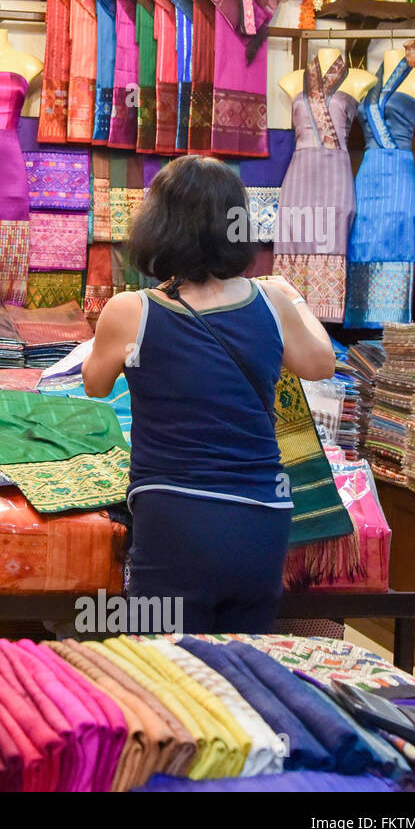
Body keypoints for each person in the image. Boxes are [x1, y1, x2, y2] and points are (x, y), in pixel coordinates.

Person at [82, 155, 336, 633]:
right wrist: (295, 295)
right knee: (241, 670)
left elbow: (94, 385)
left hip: (175, 516)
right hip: (263, 517)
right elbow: (322, 362)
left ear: (159, 223)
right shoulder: (272, 303)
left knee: (164, 672)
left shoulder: (131, 311)